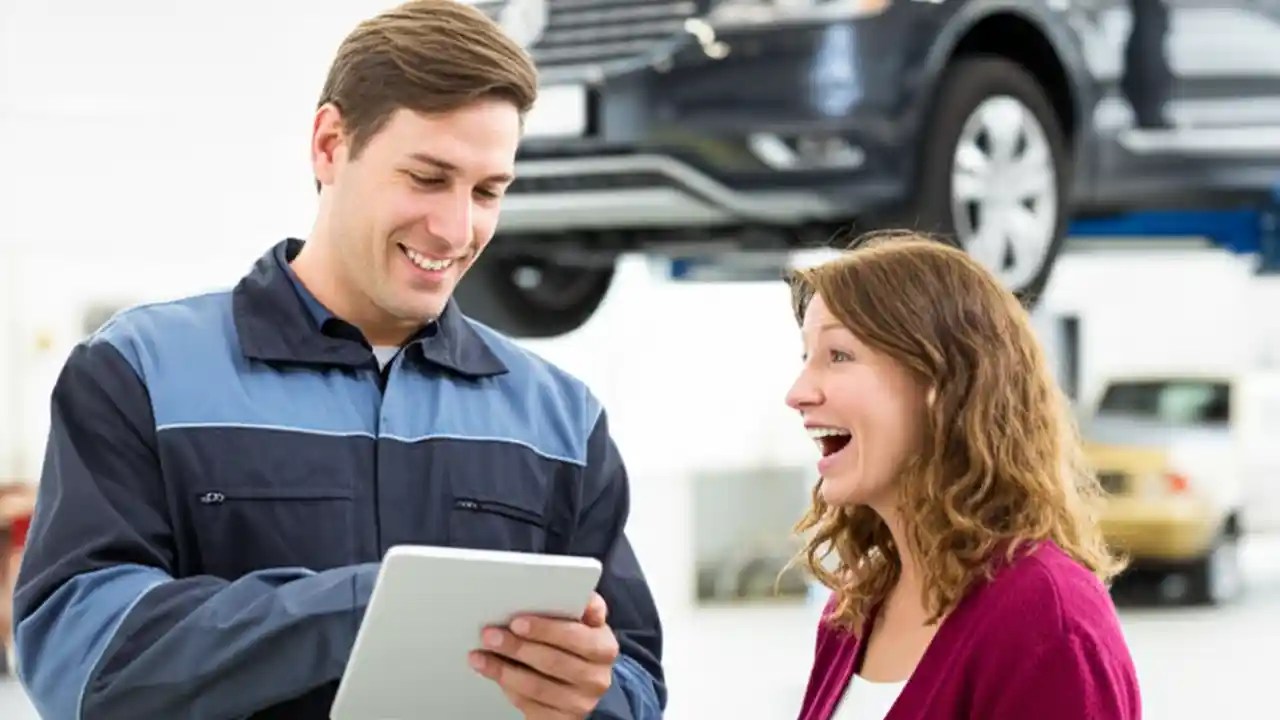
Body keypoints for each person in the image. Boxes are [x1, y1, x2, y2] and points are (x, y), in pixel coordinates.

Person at [11, 2, 665, 718]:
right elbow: (80, 658)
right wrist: (367, 608)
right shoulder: (140, 373)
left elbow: (635, 680)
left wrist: (594, 693)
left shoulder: (559, 419)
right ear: (329, 145)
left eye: (487, 192)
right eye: (426, 177)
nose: (455, 229)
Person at [786, 231, 1141, 720]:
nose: (798, 392)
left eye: (838, 356)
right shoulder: (854, 609)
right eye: (805, 357)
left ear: (942, 384)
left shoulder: (1047, 620)